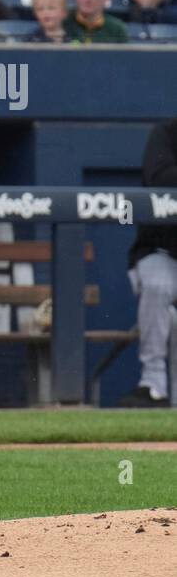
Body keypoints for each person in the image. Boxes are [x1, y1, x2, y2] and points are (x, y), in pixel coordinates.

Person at [121, 117, 177, 408]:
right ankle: (153, 383)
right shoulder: (167, 132)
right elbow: (162, 178)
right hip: (160, 251)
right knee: (158, 284)